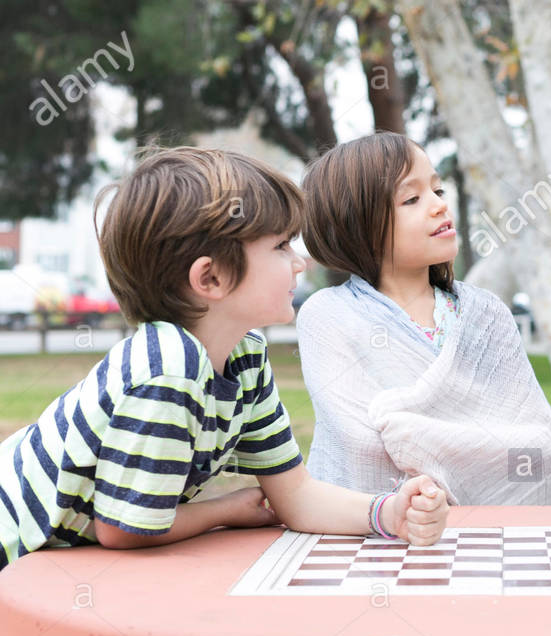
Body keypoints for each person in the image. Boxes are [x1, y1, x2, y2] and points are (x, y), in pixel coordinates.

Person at [0, 147, 448, 570]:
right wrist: (223, 510)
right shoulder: (168, 370)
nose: (299, 263)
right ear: (211, 277)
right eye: (280, 247)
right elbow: (123, 529)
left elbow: (296, 495)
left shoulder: (245, 356)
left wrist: (388, 514)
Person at [296, 132, 551, 505]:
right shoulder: (328, 316)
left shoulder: (487, 314)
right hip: (368, 534)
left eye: (437, 191)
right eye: (411, 198)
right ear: (358, 226)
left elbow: (538, 445)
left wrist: (410, 435)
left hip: (489, 542)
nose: (439, 206)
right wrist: (472, 444)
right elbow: (361, 444)